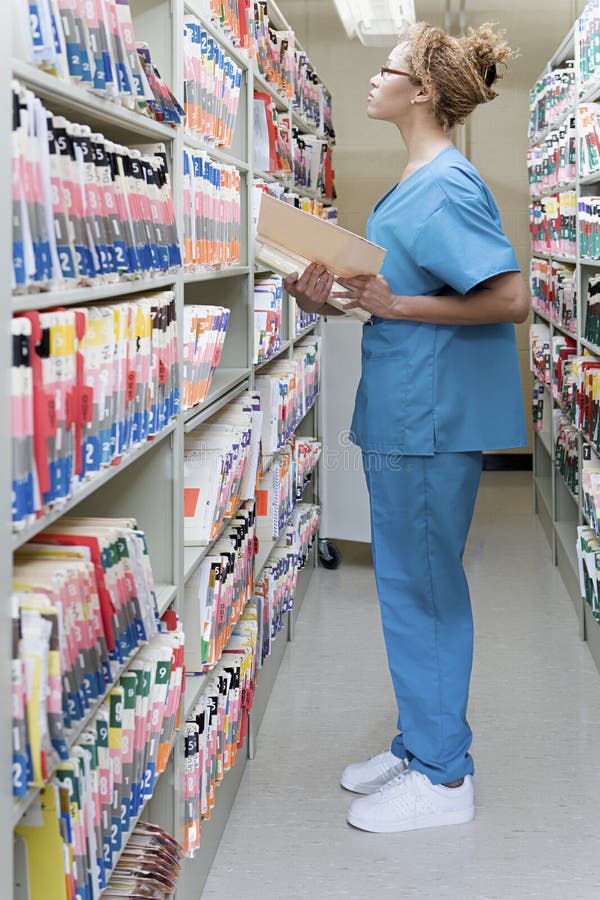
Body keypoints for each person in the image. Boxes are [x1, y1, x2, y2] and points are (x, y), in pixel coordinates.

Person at [284, 21, 528, 835]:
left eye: (386, 70)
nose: (372, 81)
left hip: (429, 417)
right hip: (404, 408)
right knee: (408, 589)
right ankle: (420, 744)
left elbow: (508, 298)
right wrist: (330, 297)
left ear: (421, 91)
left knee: (422, 595)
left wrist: (393, 305)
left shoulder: (447, 183)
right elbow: (396, 287)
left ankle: (445, 781)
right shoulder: (411, 181)